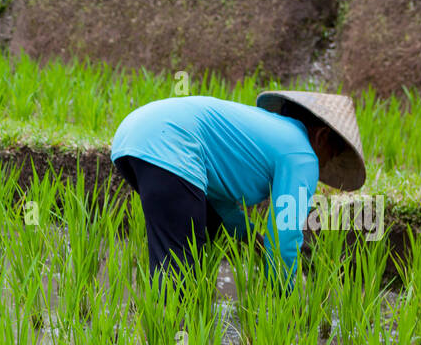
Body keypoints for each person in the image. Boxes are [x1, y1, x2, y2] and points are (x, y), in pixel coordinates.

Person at [109, 91, 366, 284]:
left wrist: (250, 238)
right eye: (331, 156)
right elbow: (285, 237)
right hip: (171, 148)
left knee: (192, 246)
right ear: (321, 137)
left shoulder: (266, 132)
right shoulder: (302, 155)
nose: (324, 166)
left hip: (132, 140)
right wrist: (285, 300)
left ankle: (172, 337)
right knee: (180, 275)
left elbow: (219, 208)